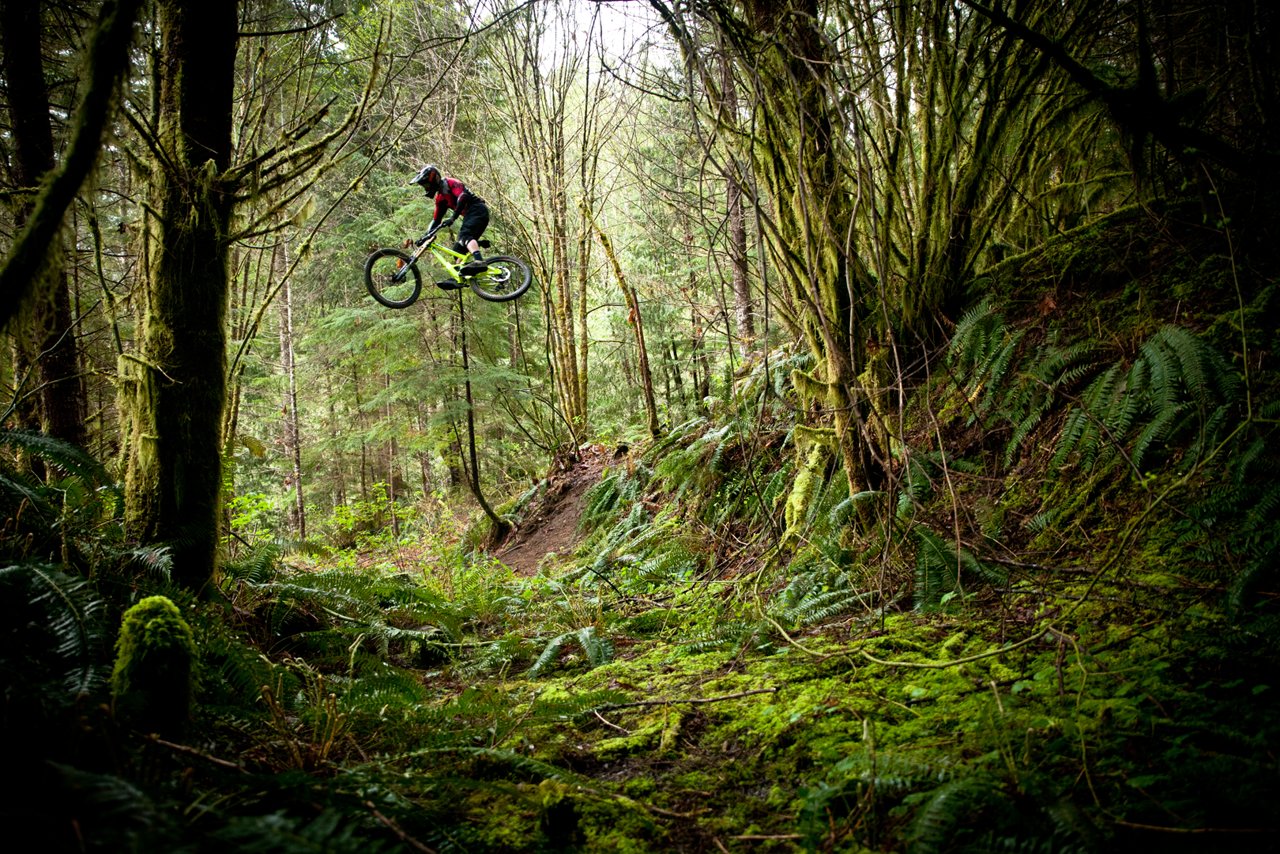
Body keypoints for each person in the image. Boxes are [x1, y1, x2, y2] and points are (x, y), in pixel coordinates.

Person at [409, 164, 490, 275]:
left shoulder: (450, 183)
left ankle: (479, 261)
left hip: (477, 210)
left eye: (426, 184)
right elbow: (436, 220)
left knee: (464, 236)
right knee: (457, 251)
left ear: (433, 179)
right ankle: (459, 275)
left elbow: (463, 197)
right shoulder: (440, 199)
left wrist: (453, 217)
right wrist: (425, 236)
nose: (426, 188)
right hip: (471, 215)